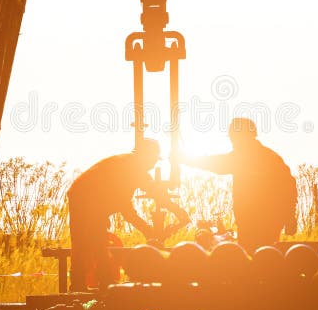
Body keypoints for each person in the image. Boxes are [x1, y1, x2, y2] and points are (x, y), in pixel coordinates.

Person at [180, 117, 297, 253]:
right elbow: (289, 188)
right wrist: (289, 217)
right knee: (265, 257)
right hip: (261, 222)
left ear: (243, 136)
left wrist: (186, 159)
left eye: (234, 137)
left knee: (254, 258)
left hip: (256, 223)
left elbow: (216, 163)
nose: (232, 142)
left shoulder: (246, 158)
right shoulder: (270, 157)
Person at [67, 138, 160, 291]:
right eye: (155, 158)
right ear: (146, 156)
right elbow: (127, 210)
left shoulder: (132, 165)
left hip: (93, 199)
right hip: (83, 196)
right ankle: (82, 285)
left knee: (98, 240)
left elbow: (144, 187)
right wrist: (148, 230)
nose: (155, 163)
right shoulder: (129, 167)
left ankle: (103, 281)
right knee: (85, 241)